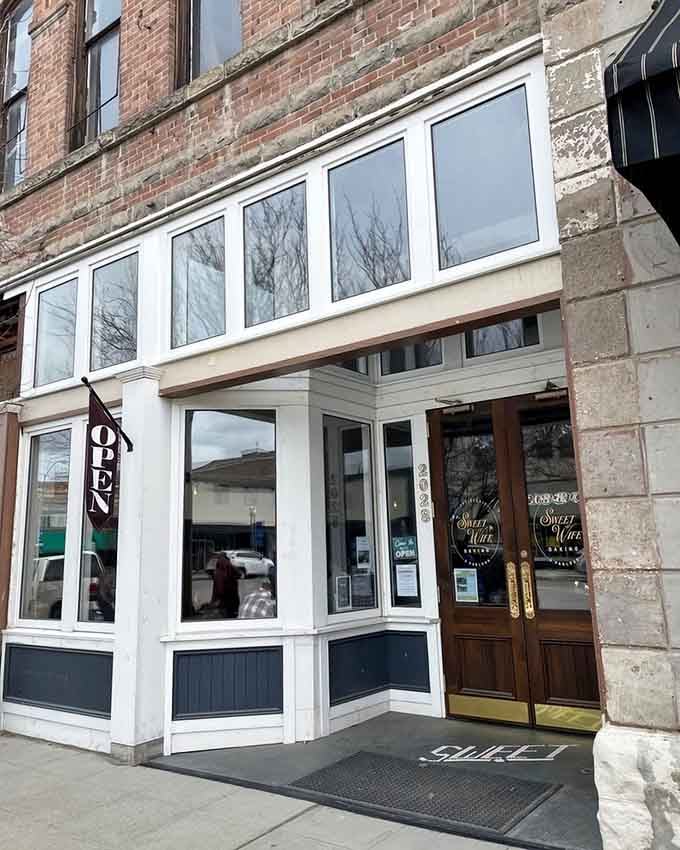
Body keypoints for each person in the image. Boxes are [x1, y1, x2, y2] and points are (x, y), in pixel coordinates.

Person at [210, 552, 240, 618]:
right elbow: (238, 574)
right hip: (230, 599)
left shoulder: (218, 571)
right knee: (231, 614)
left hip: (222, 600)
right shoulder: (229, 565)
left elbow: (218, 588)